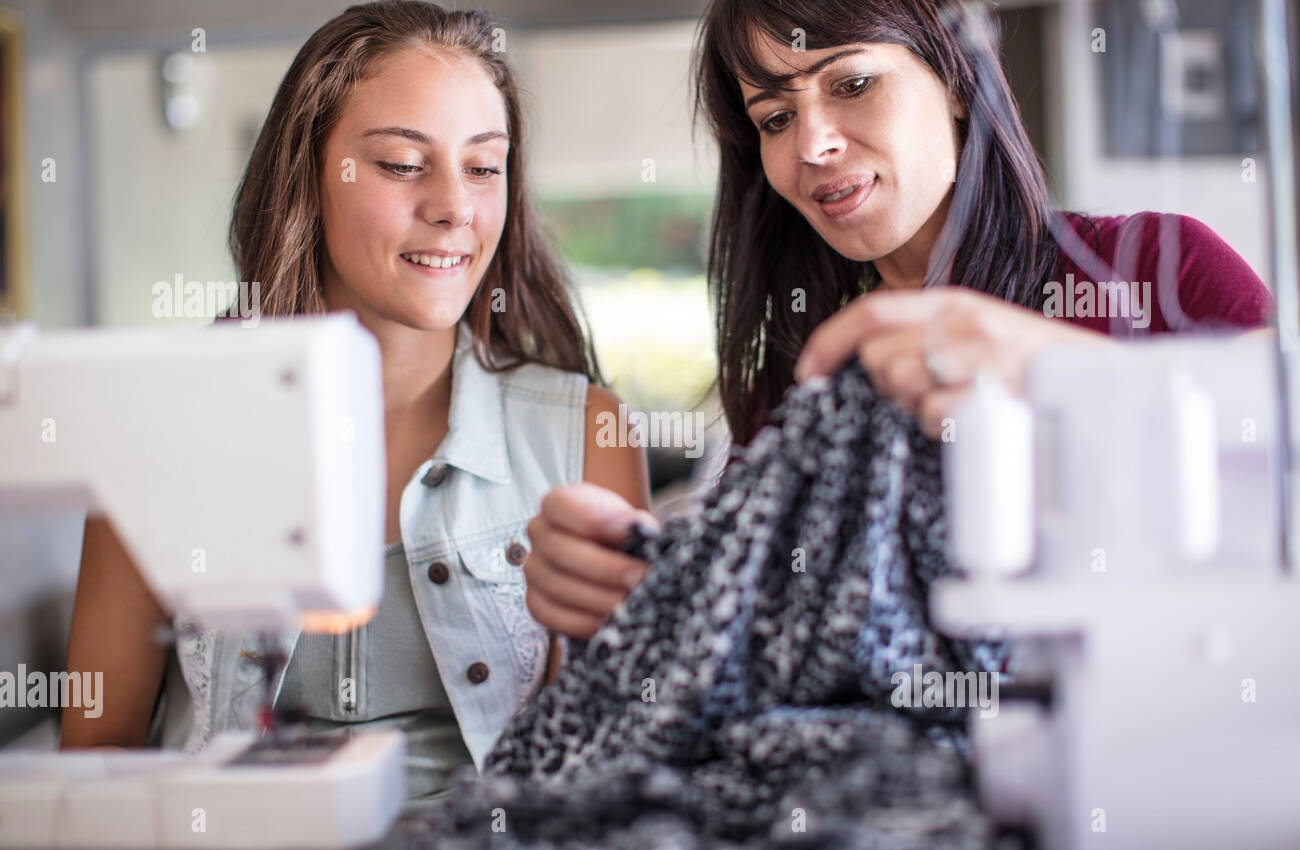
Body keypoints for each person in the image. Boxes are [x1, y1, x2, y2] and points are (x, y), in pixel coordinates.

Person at [522, 0, 1272, 642]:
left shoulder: (1159, 273)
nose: (812, 145)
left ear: (953, 77)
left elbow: (1278, 481)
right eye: (776, 117)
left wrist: (1063, 375)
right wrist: (639, 584)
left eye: (852, 83)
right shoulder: (803, 374)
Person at [60, 1, 650, 806]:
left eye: (483, 166)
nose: (453, 205)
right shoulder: (158, 441)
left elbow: (642, 750)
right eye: (403, 163)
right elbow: (98, 760)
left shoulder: (587, 433)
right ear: (310, 176)